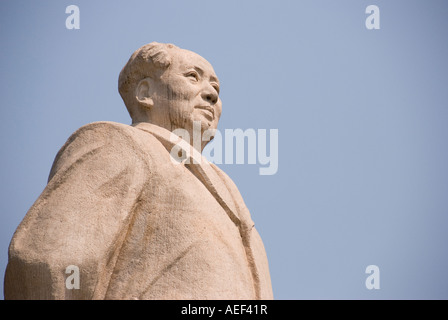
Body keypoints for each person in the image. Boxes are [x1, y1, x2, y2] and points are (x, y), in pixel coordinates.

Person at [4, 42, 273, 300]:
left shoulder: (227, 188)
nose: (212, 94)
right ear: (146, 93)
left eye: (215, 87)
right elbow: (51, 257)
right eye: (193, 77)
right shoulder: (118, 143)